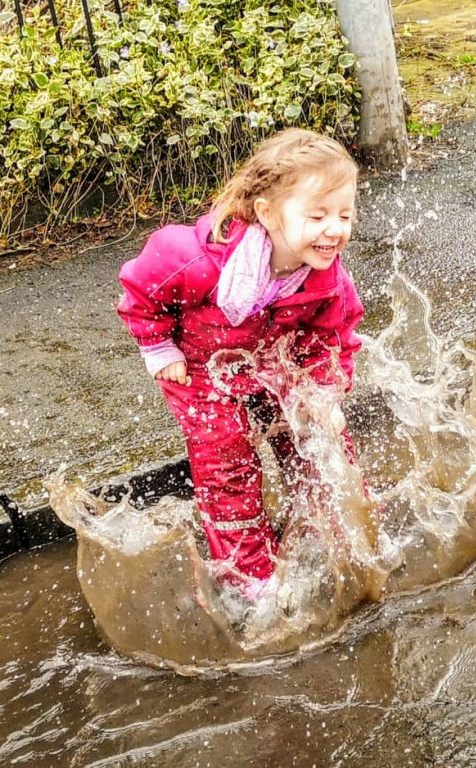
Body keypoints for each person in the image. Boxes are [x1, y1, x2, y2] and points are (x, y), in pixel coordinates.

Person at [117, 128, 364, 592]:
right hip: (197, 366)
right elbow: (140, 291)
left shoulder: (327, 279)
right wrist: (157, 347)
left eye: (345, 214)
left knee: (318, 437)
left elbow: (335, 336)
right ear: (268, 214)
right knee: (226, 455)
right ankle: (248, 574)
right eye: (318, 215)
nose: (335, 228)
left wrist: (325, 390)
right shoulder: (192, 258)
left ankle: (338, 529)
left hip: (271, 358)